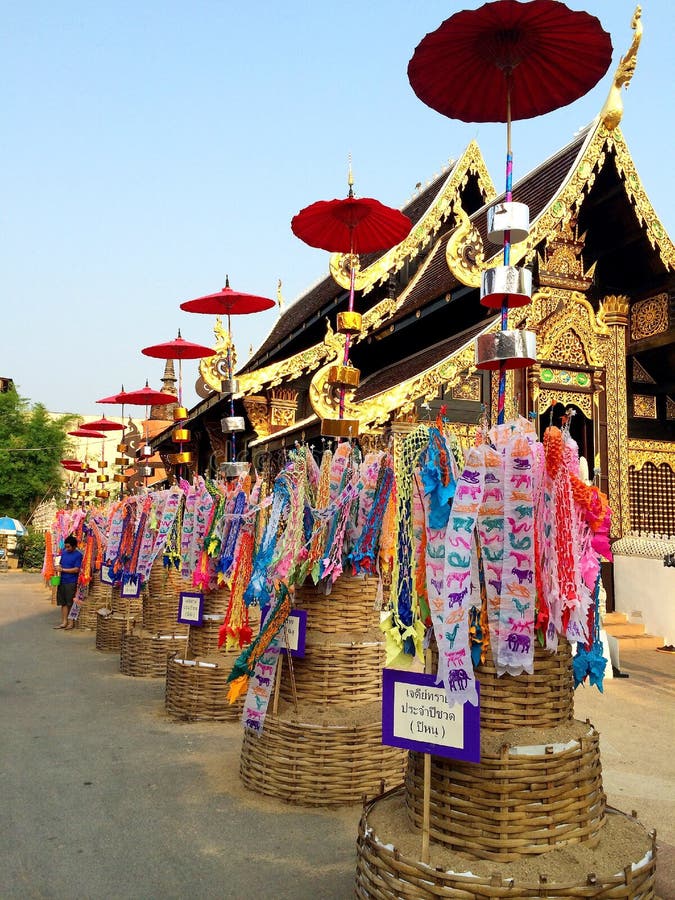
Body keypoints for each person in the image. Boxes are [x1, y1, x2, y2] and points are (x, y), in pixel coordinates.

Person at [54, 535, 83, 630]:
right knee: (63, 603)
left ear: (74, 546)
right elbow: (60, 564)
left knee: (70, 603)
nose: (67, 548)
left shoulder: (78, 555)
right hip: (62, 580)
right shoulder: (64, 553)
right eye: (66, 546)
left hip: (71, 582)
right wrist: (57, 567)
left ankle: (71, 623)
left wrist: (63, 570)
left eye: (69, 547)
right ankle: (64, 621)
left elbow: (76, 569)